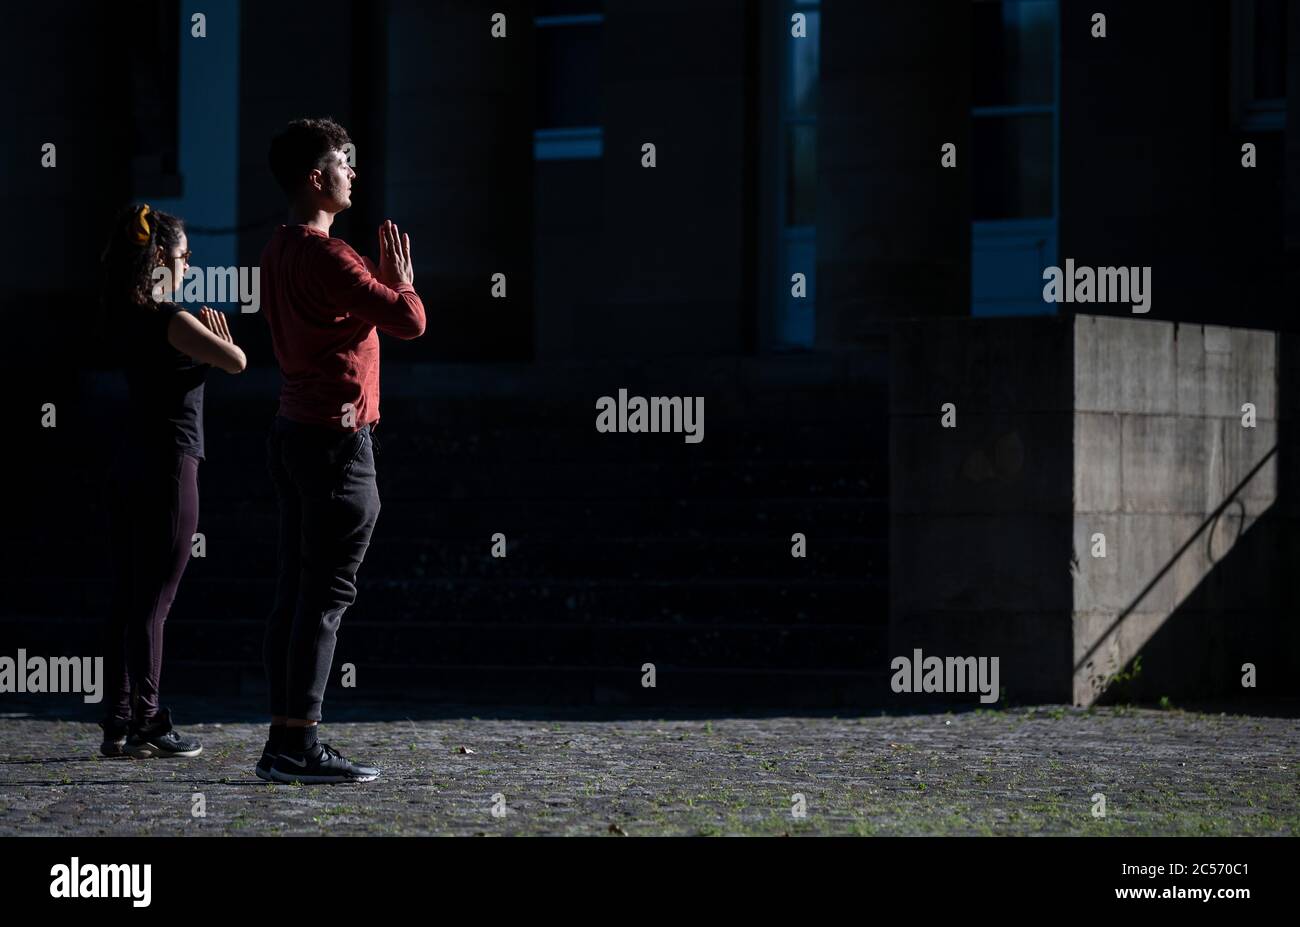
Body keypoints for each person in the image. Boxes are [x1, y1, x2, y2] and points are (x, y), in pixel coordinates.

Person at [258, 118, 425, 784]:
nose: (352, 170)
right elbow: (410, 320)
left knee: (297, 592)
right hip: (337, 440)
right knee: (325, 596)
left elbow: (341, 320)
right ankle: (300, 745)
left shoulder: (278, 249)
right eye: (341, 161)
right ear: (313, 177)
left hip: (293, 432)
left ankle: (284, 738)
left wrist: (375, 292)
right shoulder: (331, 256)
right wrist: (401, 280)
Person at [98, 204, 247, 758]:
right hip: (170, 464)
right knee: (155, 599)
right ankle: (149, 720)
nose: (189, 264)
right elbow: (236, 361)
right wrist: (222, 341)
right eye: (184, 255)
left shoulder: (125, 316)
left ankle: (117, 721)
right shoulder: (173, 320)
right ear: (160, 257)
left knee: (127, 597)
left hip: (129, 462)